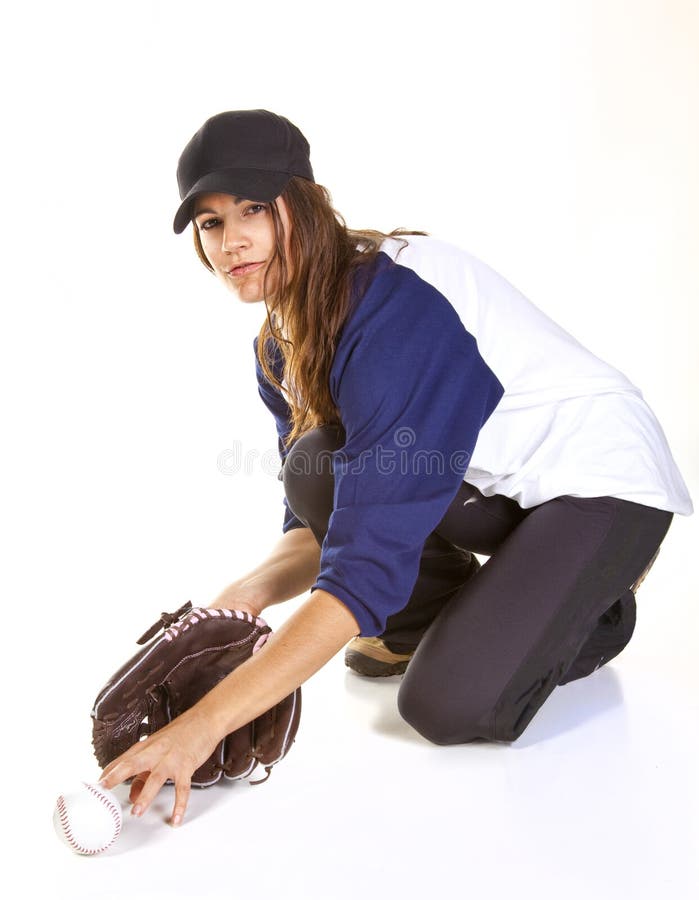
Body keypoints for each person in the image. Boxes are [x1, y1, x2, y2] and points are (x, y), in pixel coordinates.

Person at [99, 109, 693, 826]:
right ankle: (442, 621)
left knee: (448, 705)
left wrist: (200, 728)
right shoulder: (280, 344)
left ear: (305, 201)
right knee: (317, 465)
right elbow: (316, 523)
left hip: (600, 484)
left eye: (253, 208)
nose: (233, 241)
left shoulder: (392, 308)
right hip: (492, 485)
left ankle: (595, 612)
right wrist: (231, 605)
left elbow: (359, 568)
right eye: (210, 223)